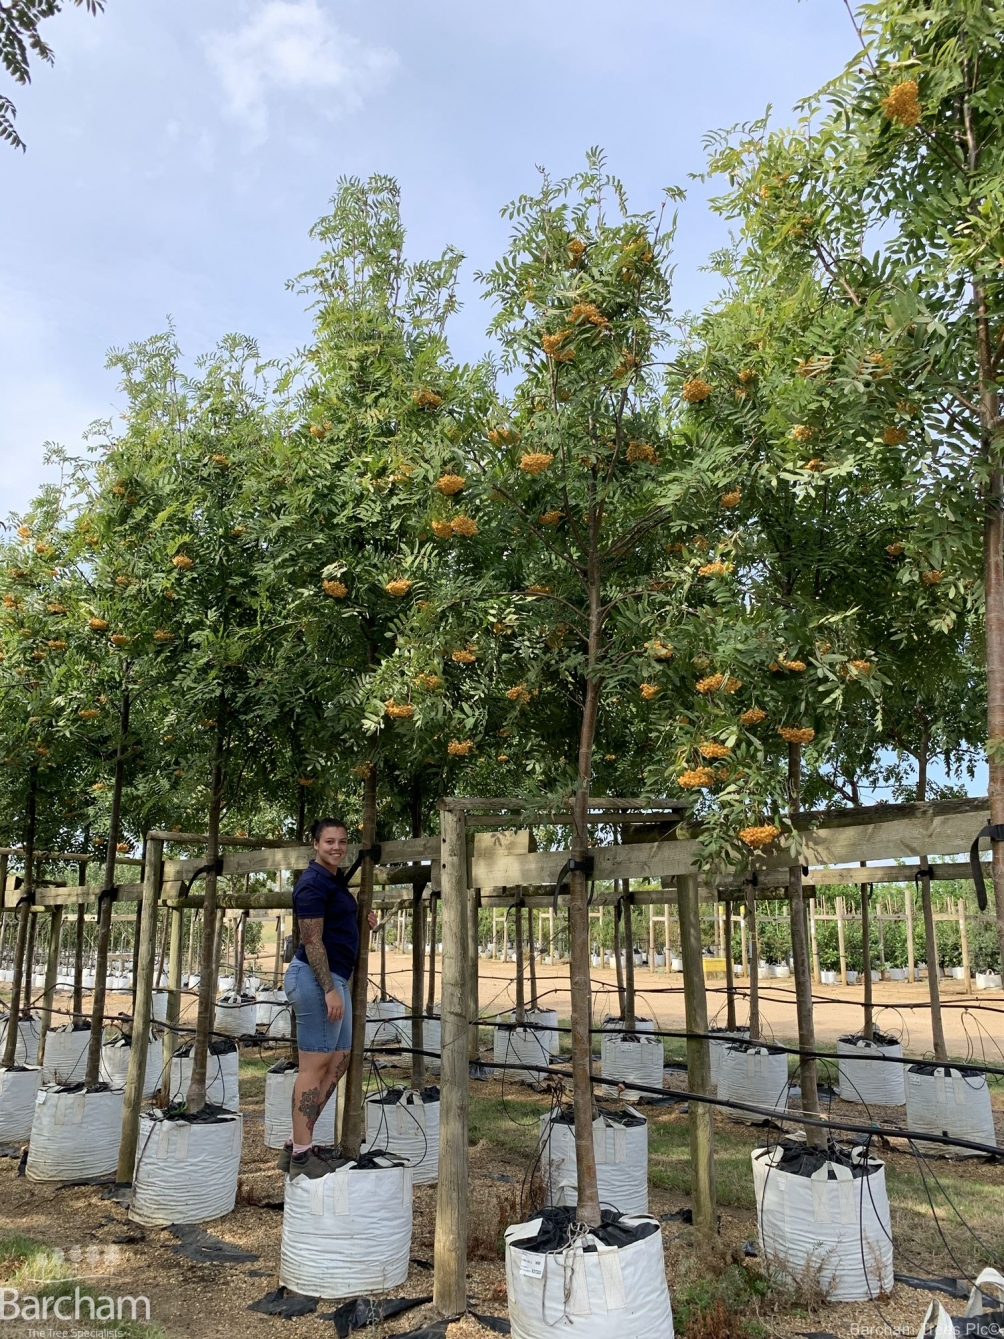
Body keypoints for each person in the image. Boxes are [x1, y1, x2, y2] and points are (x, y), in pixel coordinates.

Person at [278, 816, 378, 1179]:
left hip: (335, 979)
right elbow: (312, 940)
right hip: (317, 981)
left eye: (342, 842)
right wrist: (329, 990)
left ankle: (295, 1144)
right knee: (315, 1067)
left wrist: (359, 919)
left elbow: (333, 924)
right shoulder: (312, 884)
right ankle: (302, 1158)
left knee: (340, 1060)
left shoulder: (333, 882)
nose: (337, 847)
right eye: (329, 842)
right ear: (315, 845)